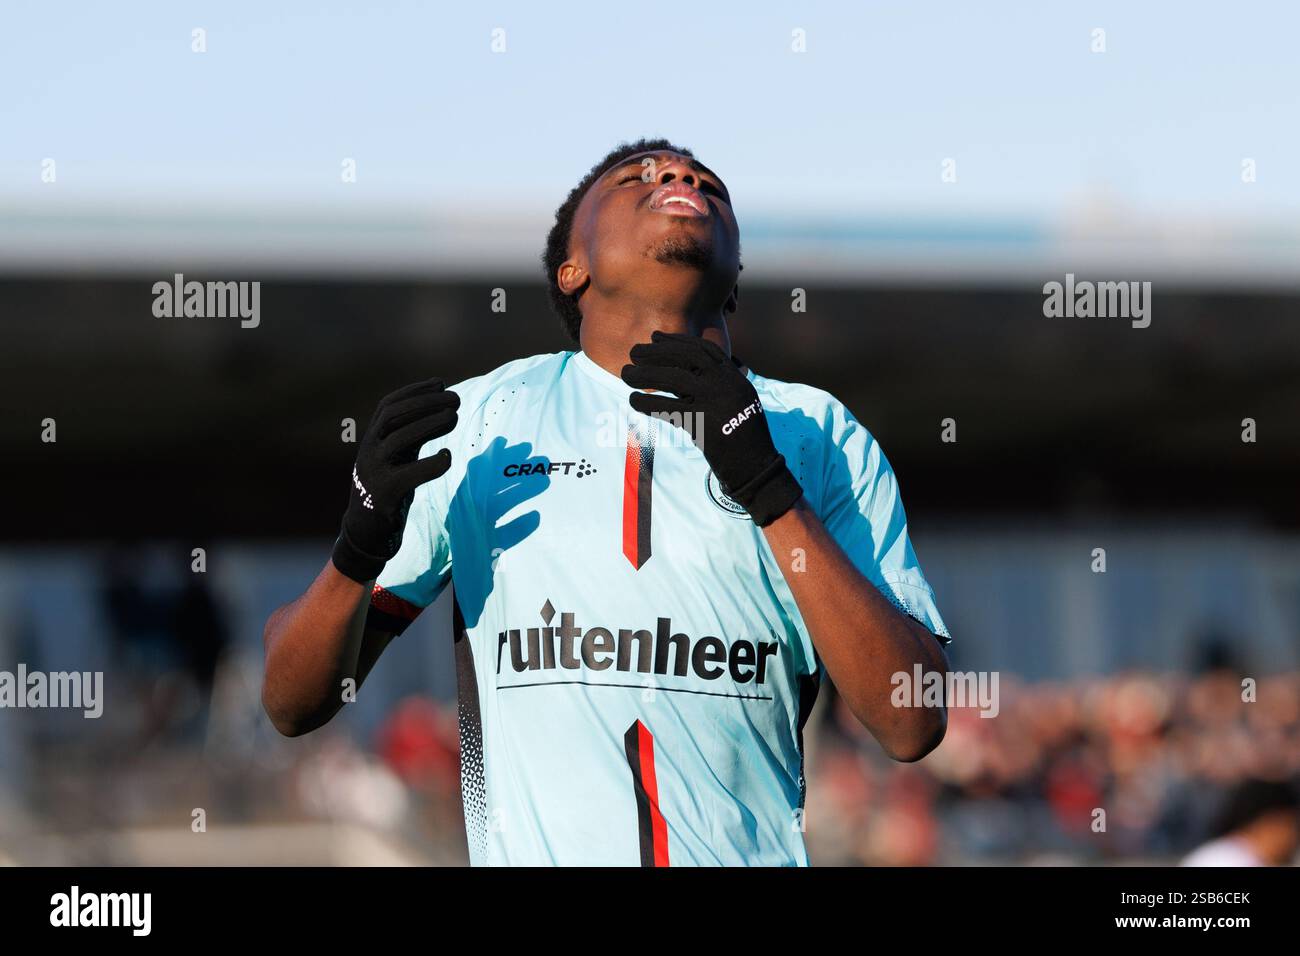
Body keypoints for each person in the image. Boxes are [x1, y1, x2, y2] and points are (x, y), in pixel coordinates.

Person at [262, 139, 952, 866]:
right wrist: (355, 553)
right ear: (573, 268)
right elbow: (291, 704)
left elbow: (912, 722)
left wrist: (772, 493)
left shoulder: (819, 435)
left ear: (736, 276)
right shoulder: (478, 425)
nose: (681, 178)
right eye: (639, 177)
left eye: (706, 183)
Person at [1183, 778, 1300, 866]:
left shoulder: (1225, 854)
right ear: (1268, 823)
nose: (1293, 836)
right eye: (1288, 826)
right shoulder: (1230, 860)